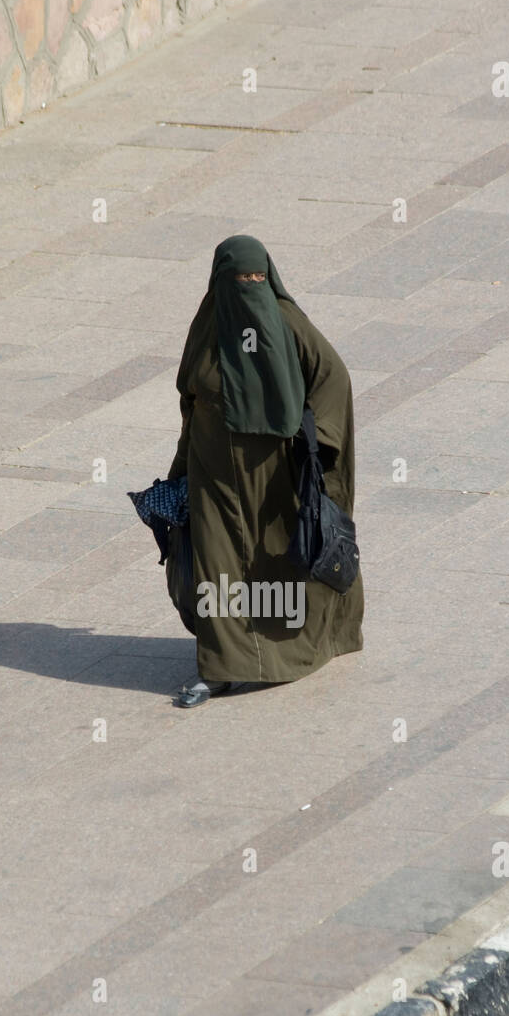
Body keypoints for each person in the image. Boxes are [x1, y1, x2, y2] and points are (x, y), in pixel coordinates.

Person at [166, 234, 363, 707]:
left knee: (281, 562)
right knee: (217, 567)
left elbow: (333, 379)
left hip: (276, 477)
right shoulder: (208, 326)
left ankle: (297, 647)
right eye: (240, 280)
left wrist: (318, 447)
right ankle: (220, 668)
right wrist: (182, 464)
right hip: (214, 474)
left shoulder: (289, 323)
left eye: (257, 278)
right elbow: (189, 396)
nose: (249, 287)